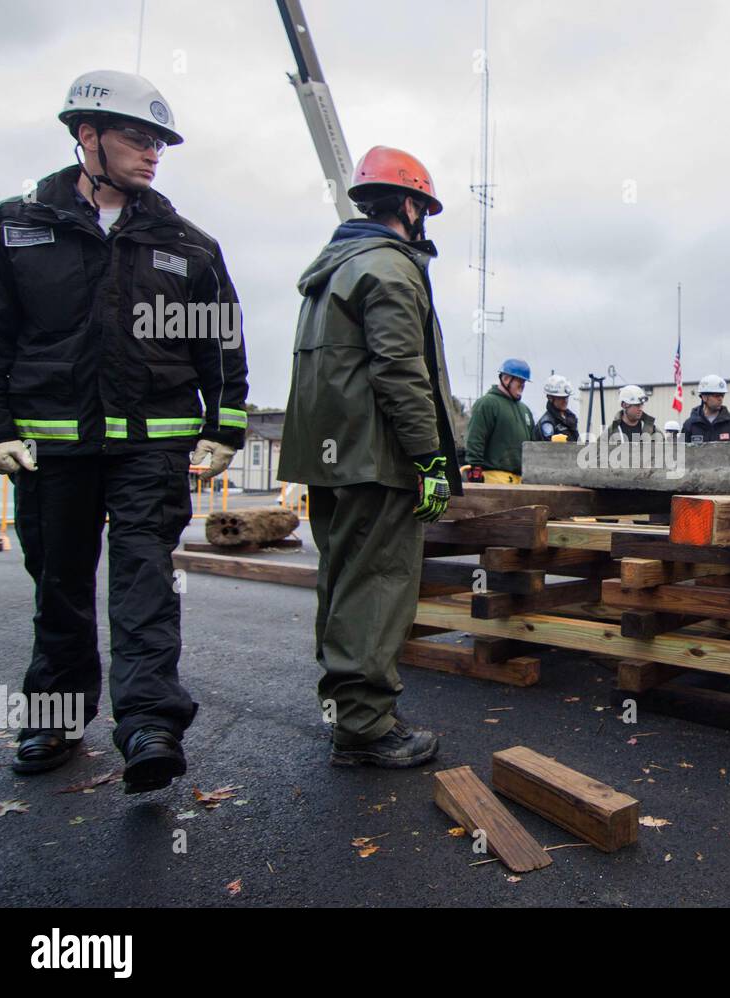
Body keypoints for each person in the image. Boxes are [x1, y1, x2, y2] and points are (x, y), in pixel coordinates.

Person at [0, 70, 248, 792]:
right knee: (60, 588)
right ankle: (57, 719)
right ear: (86, 137)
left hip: (149, 451)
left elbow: (220, 345)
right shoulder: (9, 229)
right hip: (50, 450)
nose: (153, 152)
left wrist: (224, 425)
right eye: (138, 137)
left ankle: (149, 725)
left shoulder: (186, 244)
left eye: (159, 141)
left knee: (144, 583)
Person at [279, 145, 459, 768]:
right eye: (424, 208)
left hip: (334, 460)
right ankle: (362, 726)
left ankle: (350, 709)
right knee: (378, 584)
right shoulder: (390, 268)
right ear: (410, 204)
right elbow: (401, 372)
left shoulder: (335, 268)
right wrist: (430, 459)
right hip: (378, 460)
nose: (424, 220)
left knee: (343, 580)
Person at [464, 358, 534, 483]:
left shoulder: (525, 410)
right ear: (506, 379)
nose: (522, 385)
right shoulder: (487, 403)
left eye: (524, 382)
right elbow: (475, 438)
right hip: (494, 478)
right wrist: (475, 468)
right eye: (519, 381)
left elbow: (532, 445)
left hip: (521, 480)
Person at [680, 374, 730, 442]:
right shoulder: (689, 424)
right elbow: (680, 451)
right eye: (717, 395)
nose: (720, 399)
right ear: (704, 397)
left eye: (722, 395)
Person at [535, 374, 579, 442]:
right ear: (550, 398)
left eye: (566, 397)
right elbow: (546, 449)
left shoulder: (570, 419)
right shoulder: (547, 423)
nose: (565, 401)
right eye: (561, 398)